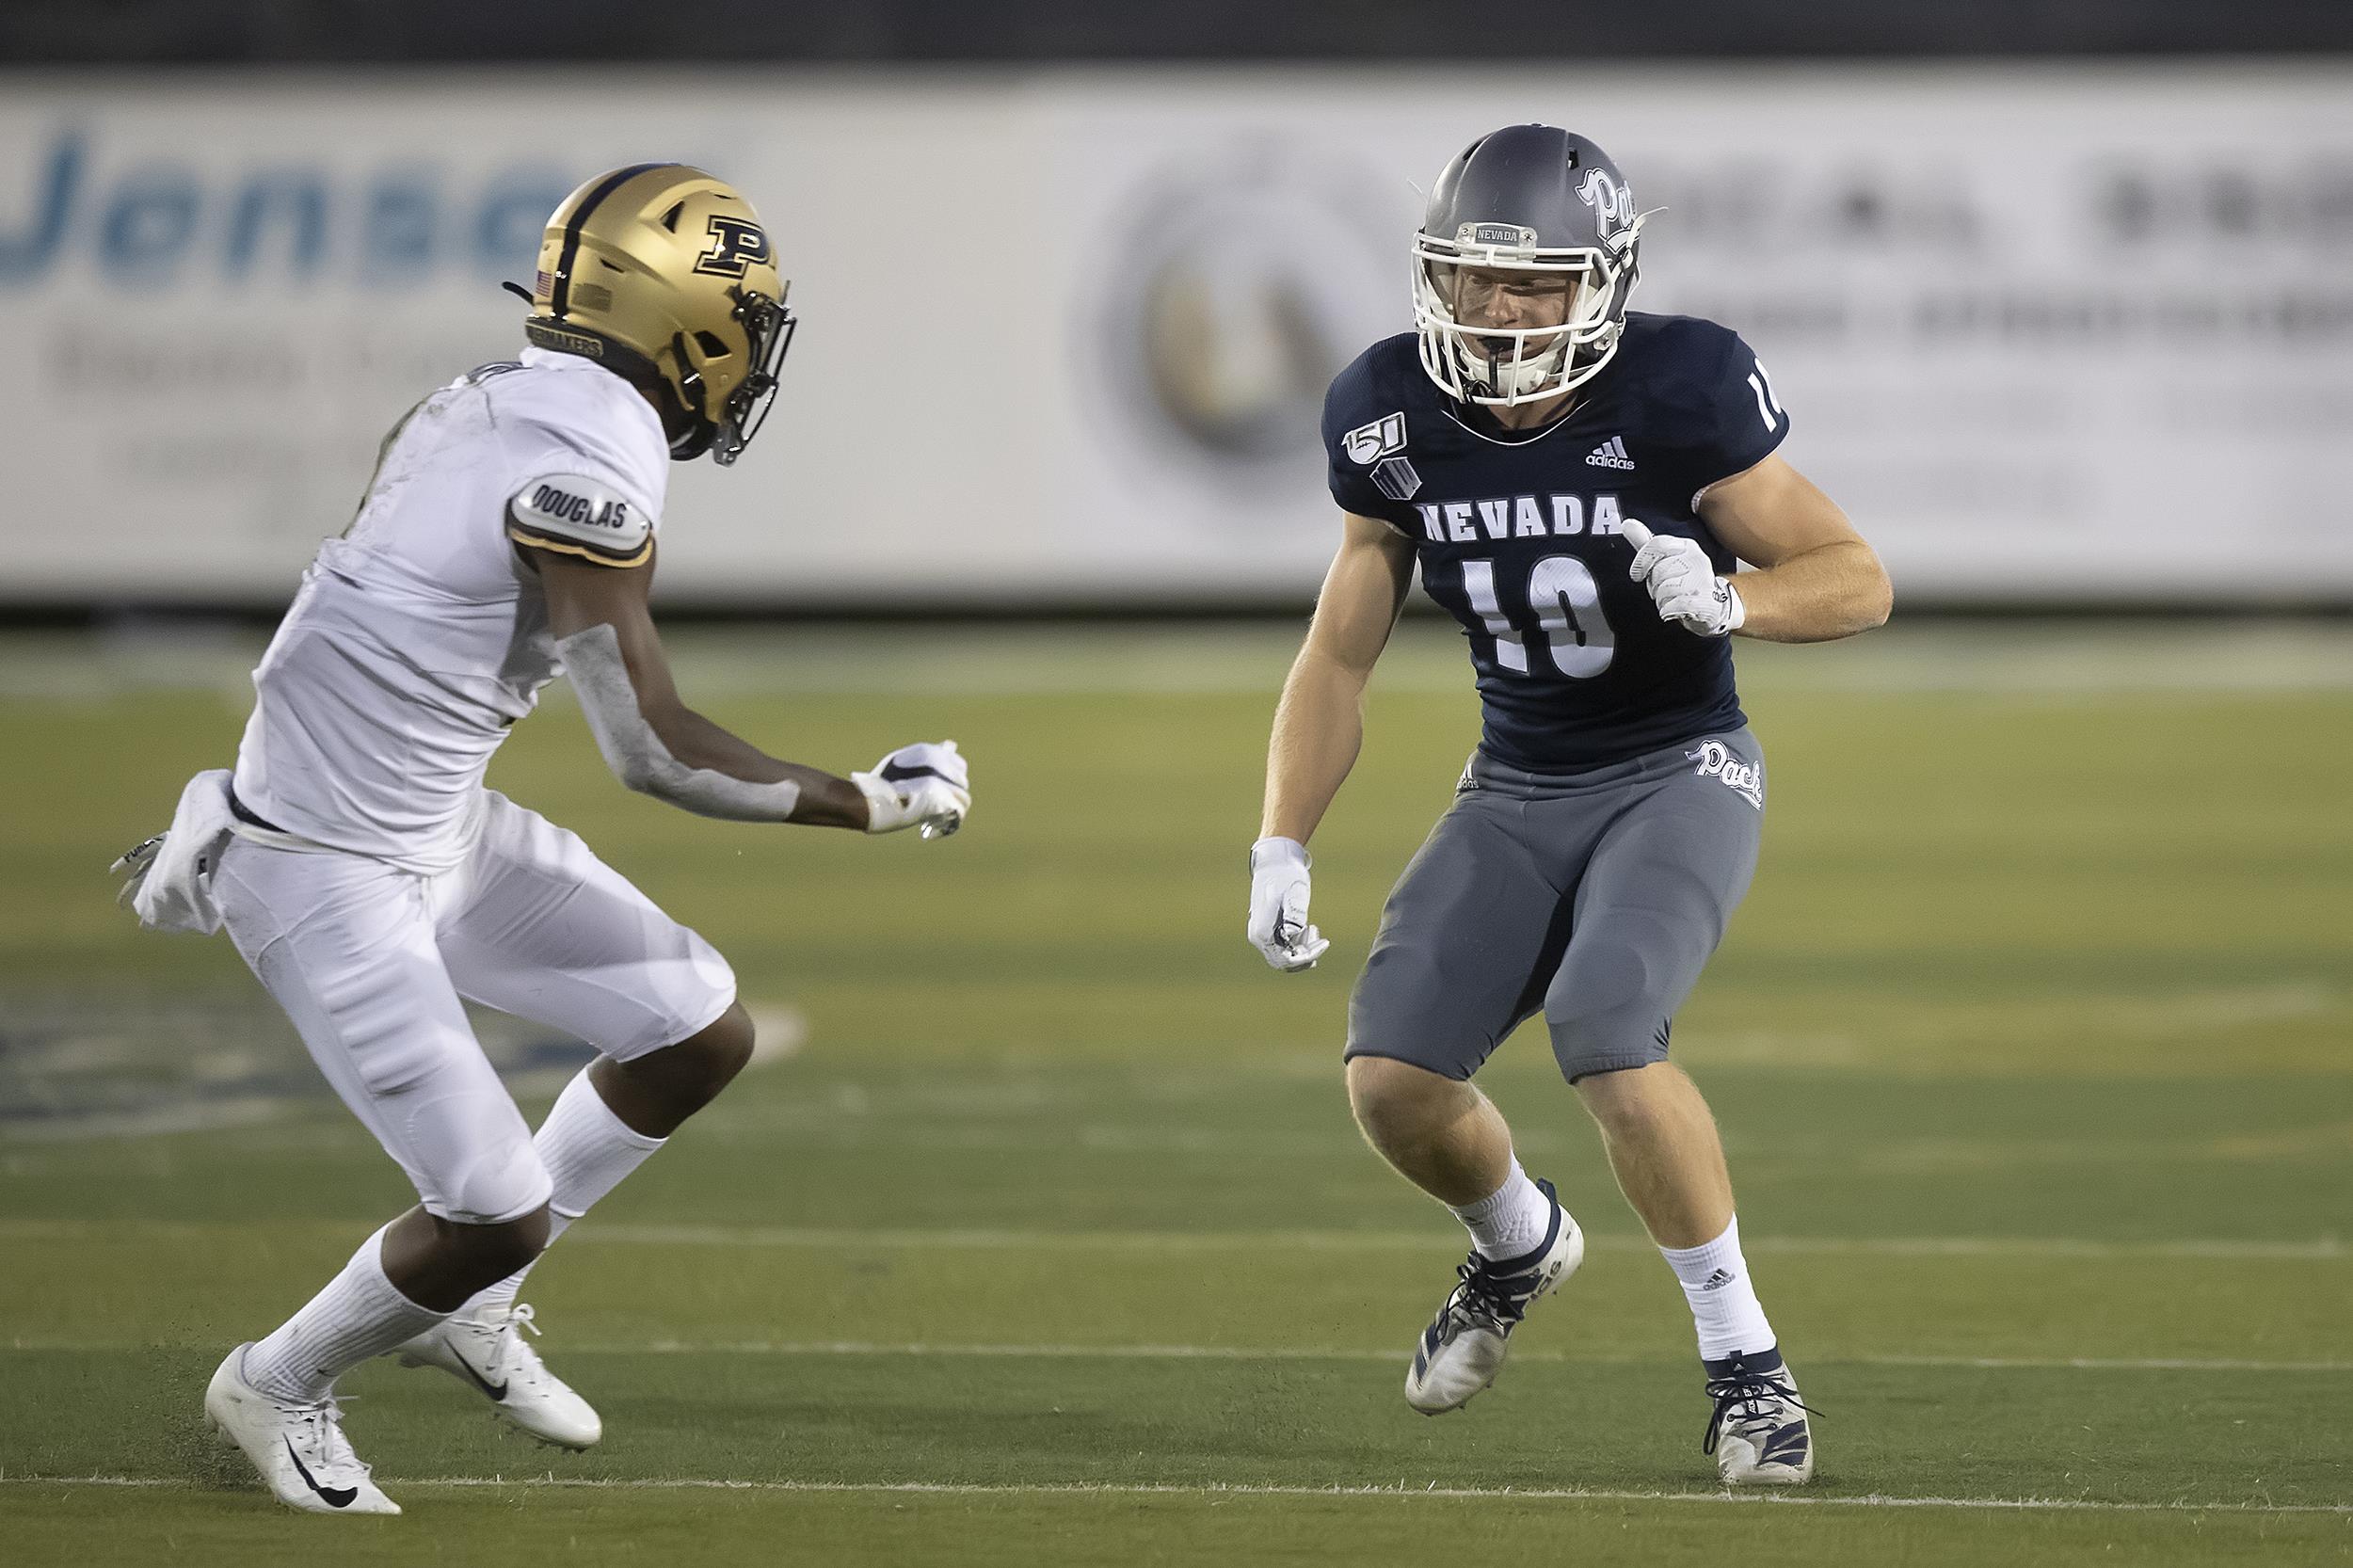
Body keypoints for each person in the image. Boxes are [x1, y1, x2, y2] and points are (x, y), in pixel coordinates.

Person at [113, 164, 972, 1516]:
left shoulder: (490, 396)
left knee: (697, 1028)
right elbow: (651, 749)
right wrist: (872, 796)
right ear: (689, 321)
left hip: (423, 821)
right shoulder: (585, 463)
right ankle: (275, 1380)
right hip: (329, 866)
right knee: (488, 1205)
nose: (748, 364)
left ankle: (475, 1308)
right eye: (741, 326)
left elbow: (372, 617)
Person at [1247, 124, 1890, 1485]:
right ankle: (1519, 1244)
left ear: (1603, 281)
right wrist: (1281, 837)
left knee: (1608, 1027)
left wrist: (1733, 598)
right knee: (1393, 1083)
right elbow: (1339, 651)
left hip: (1676, 765)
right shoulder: (1387, 411)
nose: (1502, 312)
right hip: (1519, 779)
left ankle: (1748, 1368)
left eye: (1537, 284)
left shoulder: (1680, 387)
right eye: (1478, 281)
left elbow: (1856, 573)